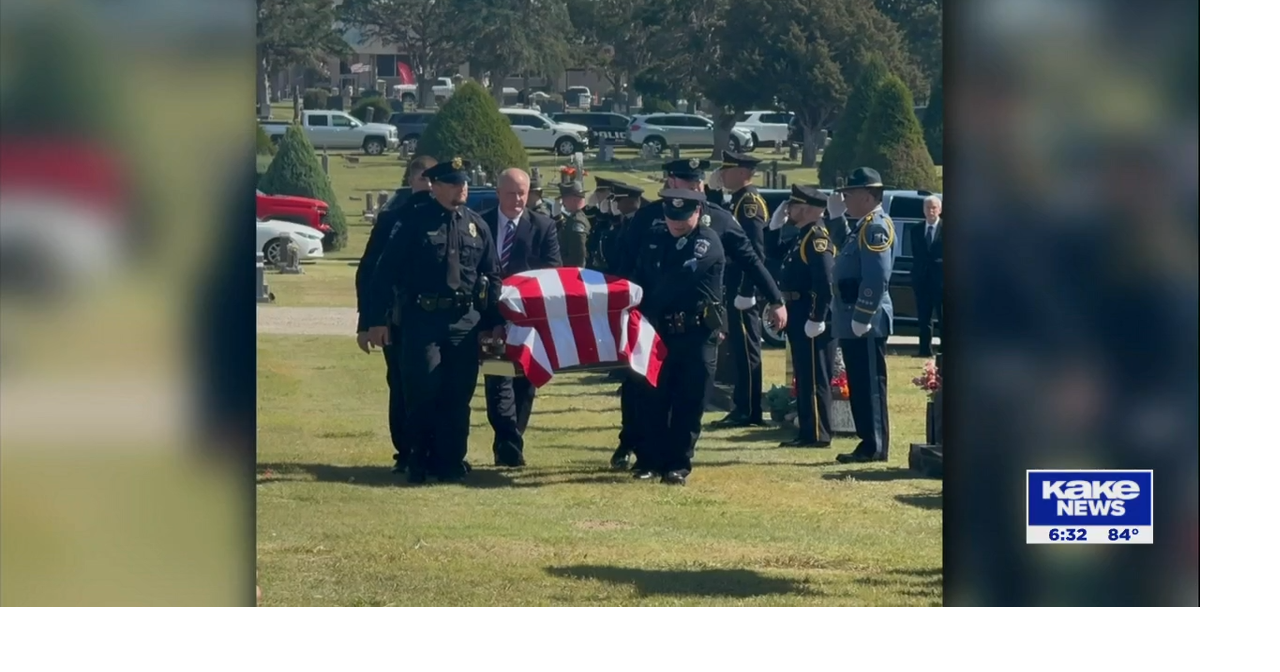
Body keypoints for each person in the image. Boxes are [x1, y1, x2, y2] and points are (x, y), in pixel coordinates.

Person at [609, 158, 786, 468]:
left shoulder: (719, 219)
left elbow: (751, 259)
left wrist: (774, 297)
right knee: (641, 389)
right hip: (651, 320)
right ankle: (632, 445)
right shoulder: (650, 216)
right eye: (685, 182)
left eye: (697, 182)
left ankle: (672, 459)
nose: (693, 187)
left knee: (688, 395)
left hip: (695, 324)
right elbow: (624, 263)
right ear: (670, 182)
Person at [364, 157, 504, 483]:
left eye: (464, 183)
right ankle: (419, 459)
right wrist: (376, 320)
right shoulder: (413, 223)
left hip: (464, 321)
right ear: (436, 186)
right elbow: (384, 274)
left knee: (458, 395)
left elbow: (492, 274)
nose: (462, 189)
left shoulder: (476, 224)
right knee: (422, 390)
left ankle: (451, 461)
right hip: (422, 320)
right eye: (454, 184)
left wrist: (494, 321)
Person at [631, 188, 726, 485]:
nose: (677, 223)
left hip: (696, 333)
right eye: (671, 216)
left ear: (698, 212)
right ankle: (650, 460)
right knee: (653, 398)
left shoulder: (706, 242)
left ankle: (678, 464)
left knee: (689, 400)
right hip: (660, 331)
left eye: (684, 217)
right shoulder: (656, 239)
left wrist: (645, 300)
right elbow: (640, 276)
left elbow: (679, 280)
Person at [355, 154, 436, 472]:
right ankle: (406, 451)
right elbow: (369, 273)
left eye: (434, 179)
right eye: (423, 179)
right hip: (398, 319)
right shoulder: (393, 220)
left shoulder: (455, 218)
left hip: (436, 319)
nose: (429, 186)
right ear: (411, 181)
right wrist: (368, 322)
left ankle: (439, 450)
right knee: (402, 384)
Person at [482, 168, 562, 467]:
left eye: (523, 193)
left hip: (528, 321)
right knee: (498, 379)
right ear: (499, 193)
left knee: (524, 384)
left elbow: (552, 271)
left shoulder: (543, 226)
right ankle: (507, 442)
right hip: (491, 319)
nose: (517, 199)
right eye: (511, 193)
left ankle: (510, 441)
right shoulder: (482, 222)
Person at [831, 168, 898, 463]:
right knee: (858, 382)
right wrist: (835, 219)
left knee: (870, 384)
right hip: (852, 316)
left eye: (850, 194)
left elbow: (876, 275)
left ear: (869, 196)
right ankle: (866, 441)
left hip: (866, 318)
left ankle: (876, 444)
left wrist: (864, 313)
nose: (845, 199)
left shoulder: (875, 227)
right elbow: (847, 253)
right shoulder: (861, 227)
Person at [766, 184, 836, 448]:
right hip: (799, 314)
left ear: (806, 209)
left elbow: (824, 282)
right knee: (804, 375)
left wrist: (817, 317)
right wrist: (774, 228)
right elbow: (772, 254)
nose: (789, 210)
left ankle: (818, 434)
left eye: (793, 205)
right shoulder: (802, 236)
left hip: (810, 314)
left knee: (815, 376)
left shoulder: (817, 238)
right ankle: (807, 431)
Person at [713, 151, 772, 427]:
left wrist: (747, 290)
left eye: (727, 170)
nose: (722, 175)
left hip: (743, 288)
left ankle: (749, 410)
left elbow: (754, 252)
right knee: (738, 349)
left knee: (747, 349)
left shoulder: (749, 203)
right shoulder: (736, 200)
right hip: (734, 284)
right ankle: (742, 406)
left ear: (741, 172)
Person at [910, 195, 943, 357]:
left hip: (942, 281)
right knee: (924, 318)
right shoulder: (915, 230)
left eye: (934, 207)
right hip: (922, 281)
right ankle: (924, 350)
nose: (931, 211)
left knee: (944, 318)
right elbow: (916, 255)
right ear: (923, 210)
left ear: (940, 210)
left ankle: (944, 351)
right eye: (928, 208)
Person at [554, 180, 591, 268]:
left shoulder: (577, 221)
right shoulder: (573, 218)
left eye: (564, 199)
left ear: (573, 200)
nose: (563, 203)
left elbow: (578, 256)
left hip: (572, 271)